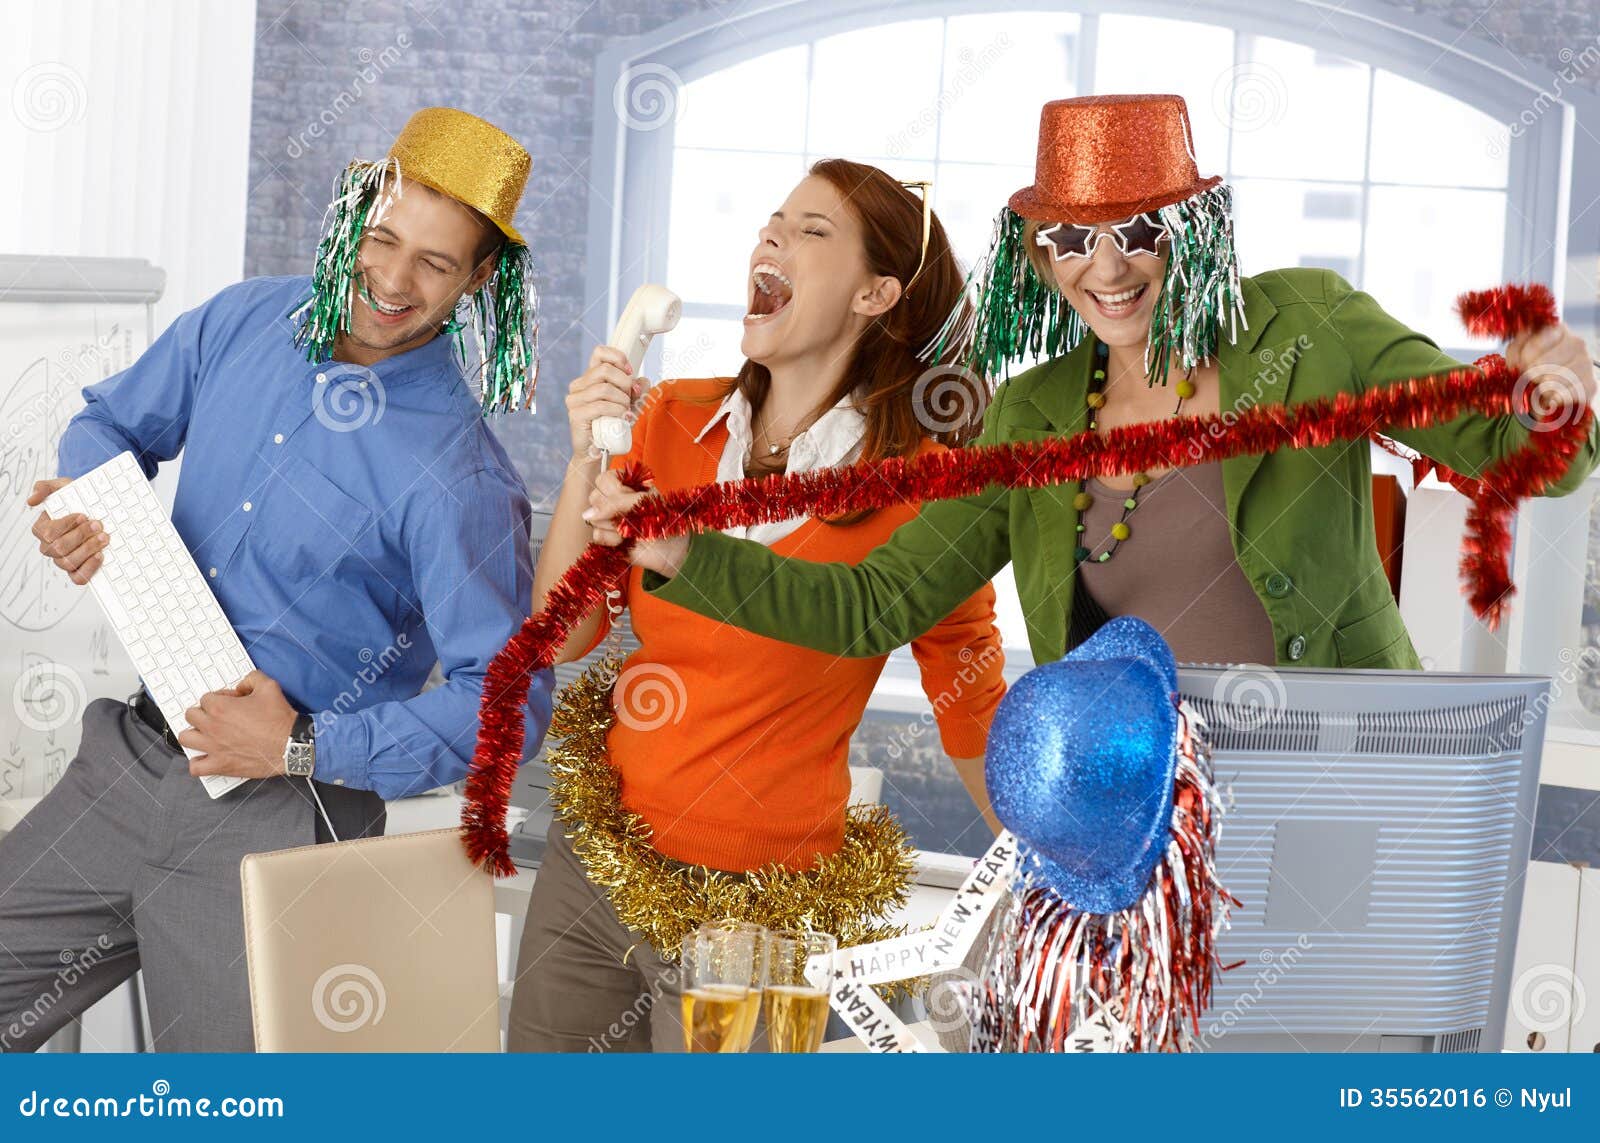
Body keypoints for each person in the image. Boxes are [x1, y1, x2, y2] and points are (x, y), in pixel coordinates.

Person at [586, 94, 1600, 672]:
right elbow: (874, 604)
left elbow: (1524, 458)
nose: (1104, 268)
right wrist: (683, 550)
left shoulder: (1307, 326)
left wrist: (1554, 397)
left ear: (1192, 232)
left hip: (1334, 790)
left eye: (1137, 231)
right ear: (1040, 257)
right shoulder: (1030, 415)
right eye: (1071, 239)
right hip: (1132, 837)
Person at [5, 108, 551, 1052]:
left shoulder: (460, 474)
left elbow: (509, 702)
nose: (392, 280)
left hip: (279, 821)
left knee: (227, 1104)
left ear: (478, 279)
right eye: (384, 238)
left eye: (434, 262)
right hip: (125, 762)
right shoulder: (244, 319)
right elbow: (108, 424)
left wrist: (302, 745)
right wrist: (93, 507)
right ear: (353, 218)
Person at [507, 159, 1006, 1053]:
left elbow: (971, 700)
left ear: (876, 294)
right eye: (773, 222)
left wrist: (1065, 879)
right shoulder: (669, 419)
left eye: (813, 231)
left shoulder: (923, 488)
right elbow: (564, 632)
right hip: (597, 865)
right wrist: (589, 455)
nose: (771, 236)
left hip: (762, 911)